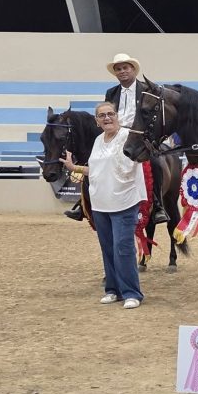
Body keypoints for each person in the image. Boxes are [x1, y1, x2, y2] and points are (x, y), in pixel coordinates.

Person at [65, 52, 168, 226]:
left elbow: (153, 115)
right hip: (115, 133)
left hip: (139, 135)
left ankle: (158, 205)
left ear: (133, 69)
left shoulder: (146, 89)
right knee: (96, 161)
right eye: (118, 69)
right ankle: (83, 204)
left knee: (155, 163)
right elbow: (107, 113)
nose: (122, 71)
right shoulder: (111, 92)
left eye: (125, 68)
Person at [61, 101, 146, 309]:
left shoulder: (128, 136)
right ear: (97, 121)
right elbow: (96, 170)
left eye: (110, 114)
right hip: (100, 203)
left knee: (123, 248)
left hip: (124, 202)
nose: (107, 118)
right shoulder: (98, 140)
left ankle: (132, 292)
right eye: (102, 116)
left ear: (117, 116)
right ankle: (112, 290)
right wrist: (74, 167)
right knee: (107, 248)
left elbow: (135, 162)